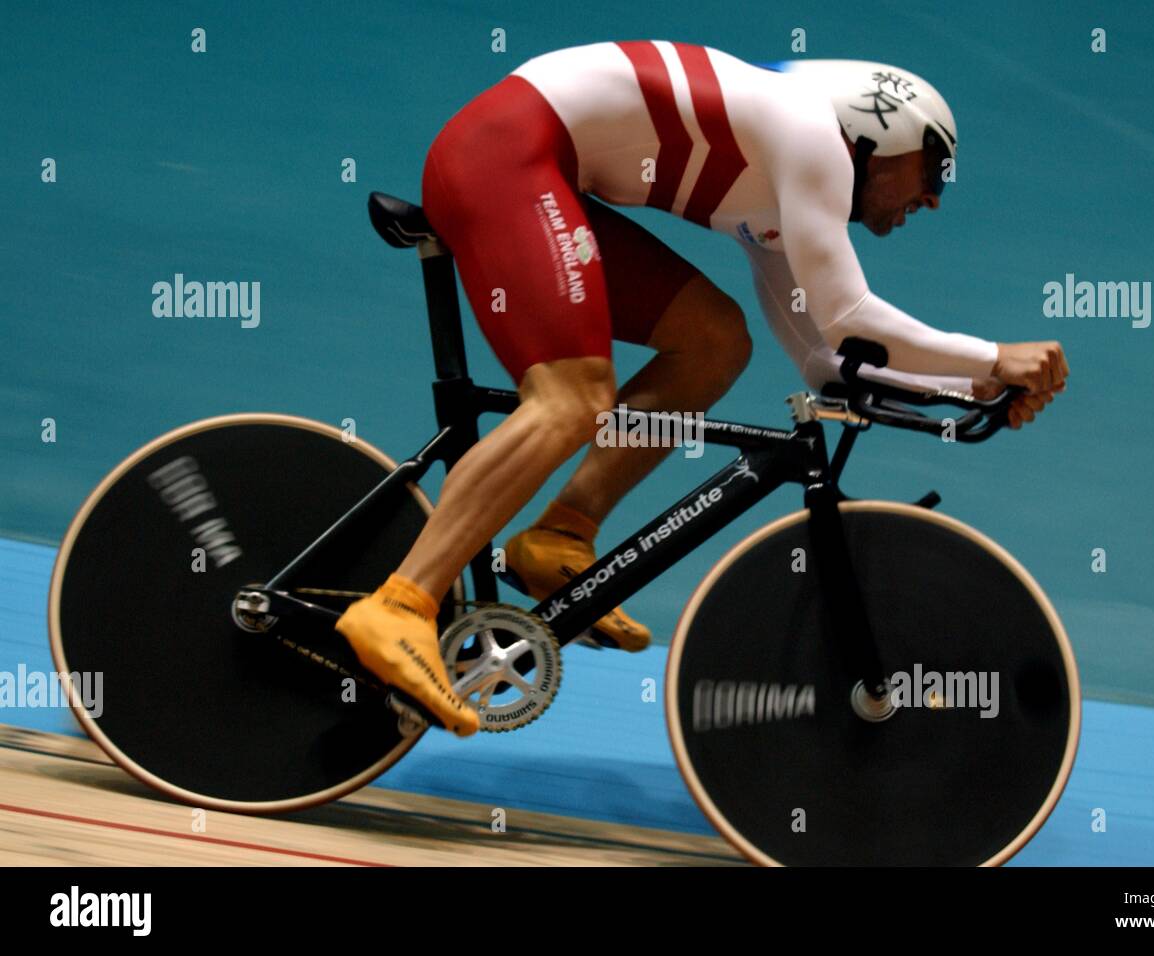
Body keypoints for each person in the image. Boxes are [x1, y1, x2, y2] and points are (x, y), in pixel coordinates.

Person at [336, 41, 1069, 737]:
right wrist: (996, 357)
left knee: (714, 341)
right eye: (934, 169)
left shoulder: (777, 197)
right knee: (571, 400)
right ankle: (401, 602)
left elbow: (824, 353)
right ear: (881, 133)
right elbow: (850, 316)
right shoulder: (810, 134)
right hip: (504, 154)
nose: (936, 198)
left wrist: (972, 391)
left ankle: (560, 534)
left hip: (531, 163)